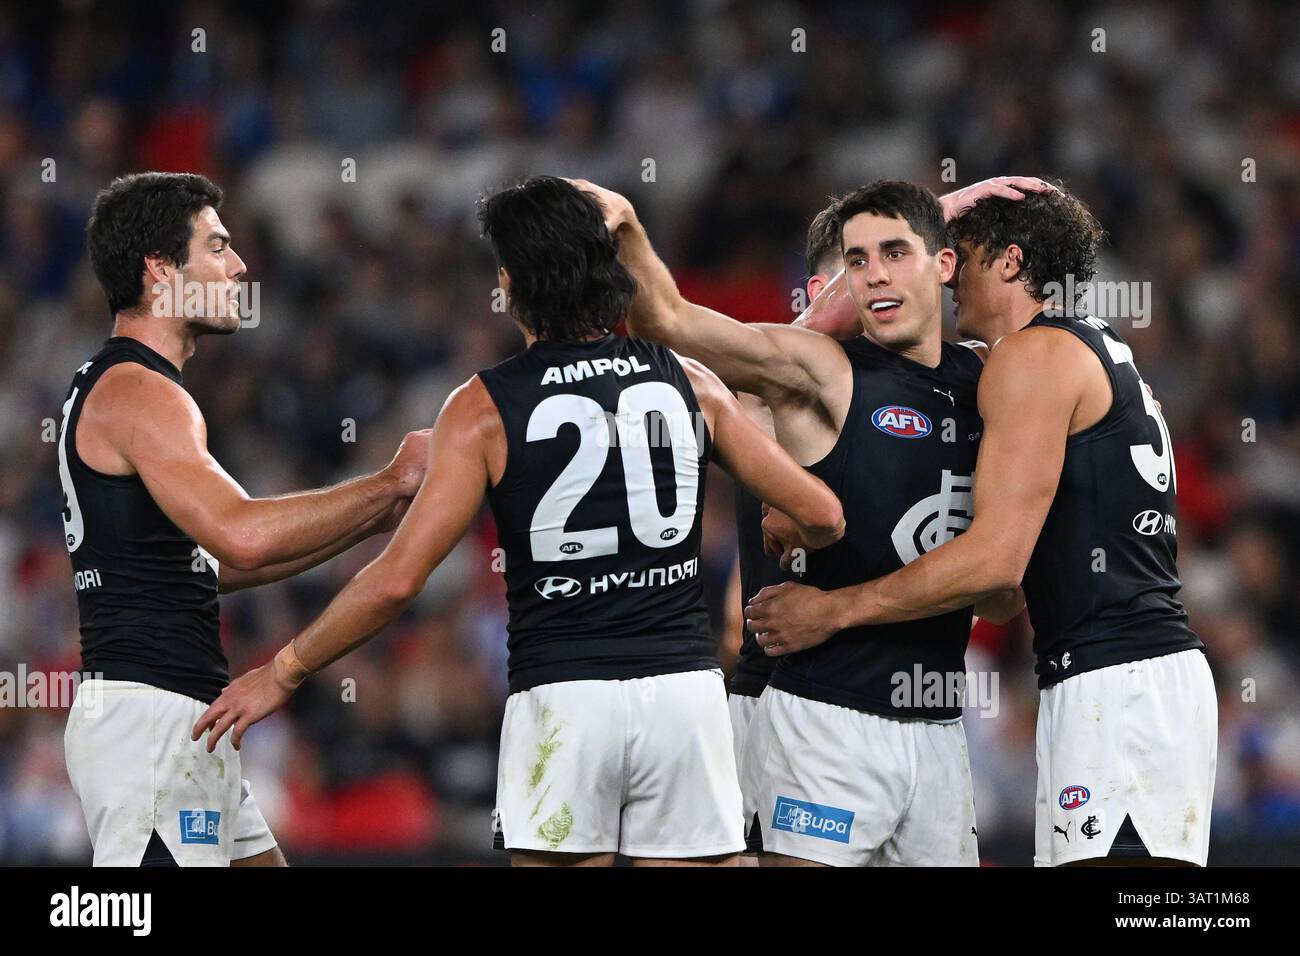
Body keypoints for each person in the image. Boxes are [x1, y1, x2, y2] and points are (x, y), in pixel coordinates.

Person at [192, 175, 845, 867]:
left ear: (509, 283)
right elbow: (823, 513)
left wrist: (284, 670)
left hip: (562, 702)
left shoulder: (481, 408)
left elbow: (398, 579)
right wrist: (783, 528)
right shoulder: (691, 380)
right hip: (683, 698)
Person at [748, 184, 1216, 867]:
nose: (948, 278)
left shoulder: (1030, 357)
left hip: (1114, 684)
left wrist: (834, 610)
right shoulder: (1098, 347)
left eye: (960, 257)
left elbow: (996, 563)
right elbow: (1008, 587)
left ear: (1009, 261)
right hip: (1143, 676)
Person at [583, 176, 1032, 866]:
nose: (874, 275)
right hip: (827, 721)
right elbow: (669, 324)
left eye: (895, 253)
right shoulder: (820, 372)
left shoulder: (992, 381)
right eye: (857, 260)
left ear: (945, 264)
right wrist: (631, 233)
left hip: (942, 731)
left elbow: (1002, 598)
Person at [61, 171, 429, 866]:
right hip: (155, 726)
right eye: (217, 247)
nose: (238, 267)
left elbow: (212, 564)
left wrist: (378, 513)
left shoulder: (121, 385)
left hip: (183, 718)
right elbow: (244, 537)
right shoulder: (142, 392)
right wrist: (392, 480)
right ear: (160, 269)